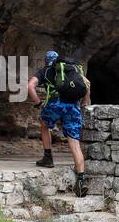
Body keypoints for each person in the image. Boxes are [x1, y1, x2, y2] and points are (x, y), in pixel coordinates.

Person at [26, 50, 91, 196]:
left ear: (46, 61)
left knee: (44, 123)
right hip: (73, 107)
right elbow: (86, 84)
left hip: (55, 104)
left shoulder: (46, 71)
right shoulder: (72, 69)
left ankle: (48, 157)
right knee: (74, 142)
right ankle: (81, 180)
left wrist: (38, 103)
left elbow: (30, 86)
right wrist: (85, 103)